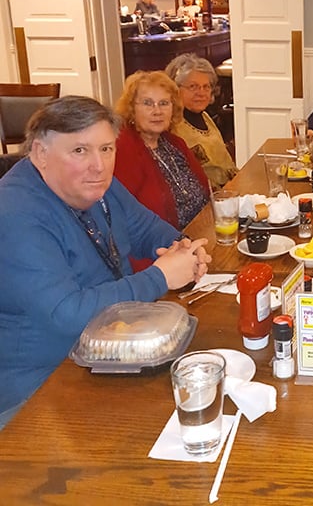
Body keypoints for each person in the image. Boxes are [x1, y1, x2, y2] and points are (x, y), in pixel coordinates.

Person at [0, 96, 210, 426]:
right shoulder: (15, 215)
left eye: (106, 149)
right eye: (79, 151)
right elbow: (68, 314)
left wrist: (183, 249)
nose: (98, 165)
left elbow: (146, 227)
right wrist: (159, 277)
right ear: (40, 154)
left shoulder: (96, 186)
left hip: (111, 354)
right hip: (40, 390)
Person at [114, 71, 210, 232]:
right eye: (147, 103)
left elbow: (206, 191)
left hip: (202, 230)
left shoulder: (175, 143)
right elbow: (123, 219)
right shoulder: (123, 150)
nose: (157, 111)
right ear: (131, 109)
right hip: (162, 246)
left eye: (164, 103)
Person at [165, 53, 238, 189]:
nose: (201, 93)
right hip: (206, 199)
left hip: (229, 191)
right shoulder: (172, 125)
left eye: (206, 87)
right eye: (193, 87)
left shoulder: (204, 116)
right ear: (175, 89)